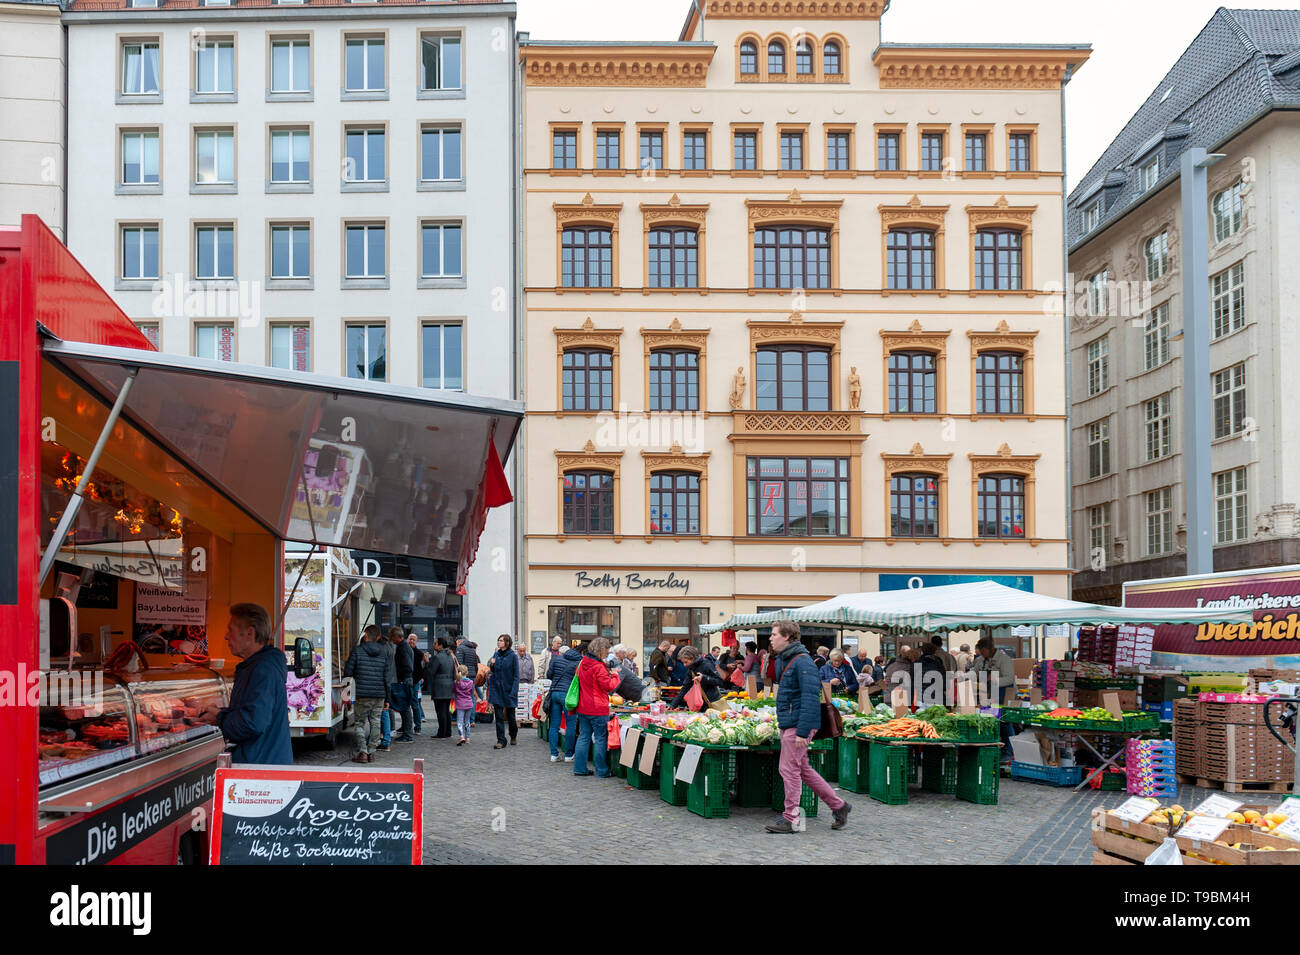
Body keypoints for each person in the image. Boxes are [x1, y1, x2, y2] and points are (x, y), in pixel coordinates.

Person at [766, 620, 850, 834]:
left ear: (786, 636)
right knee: (802, 769)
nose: (770, 638)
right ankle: (839, 806)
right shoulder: (789, 659)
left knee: (788, 769)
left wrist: (803, 731)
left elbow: (811, 697)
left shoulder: (802, 662)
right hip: (792, 721)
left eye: (774, 634)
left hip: (797, 724)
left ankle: (791, 818)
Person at [208, 604, 293, 765]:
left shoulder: (263, 670)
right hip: (262, 762)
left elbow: (253, 722)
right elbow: (252, 711)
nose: (226, 636)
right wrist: (220, 713)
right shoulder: (257, 666)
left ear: (249, 633)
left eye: (230, 630)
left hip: (261, 769)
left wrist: (219, 718)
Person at [343, 624, 395, 763]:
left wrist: (346, 692)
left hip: (362, 693)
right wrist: (387, 698)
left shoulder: (357, 651)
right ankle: (372, 752)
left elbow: (348, 672)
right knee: (376, 722)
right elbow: (387, 677)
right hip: (379, 694)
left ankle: (363, 752)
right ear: (377, 637)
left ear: (366, 636)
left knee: (359, 723)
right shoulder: (384, 652)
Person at [572, 637, 621, 778]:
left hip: (583, 706)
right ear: (601, 650)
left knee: (583, 737)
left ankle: (579, 768)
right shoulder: (598, 666)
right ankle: (601, 770)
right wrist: (615, 676)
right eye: (607, 650)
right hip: (598, 708)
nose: (608, 653)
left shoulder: (582, 663)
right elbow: (609, 686)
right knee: (600, 738)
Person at [972, 637, 1018, 761]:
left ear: (988, 649)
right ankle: (994, 748)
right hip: (987, 695)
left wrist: (994, 680)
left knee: (1004, 722)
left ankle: (1009, 750)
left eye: (982, 651)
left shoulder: (1004, 660)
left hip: (1003, 694)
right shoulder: (981, 660)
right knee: (989, 721)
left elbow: (1010, 678)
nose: (981, 653)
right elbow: (975, 672)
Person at [546, 641, 583, 762]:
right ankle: (568, 755)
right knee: (570, 725)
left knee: (554, 725)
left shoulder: (556, 659)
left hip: (555, 693)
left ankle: (554, 755)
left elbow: (549, 675)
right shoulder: (579, 663)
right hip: (568, 696)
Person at [668, 646, 726, 710]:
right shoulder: (691, 669)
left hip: (713, 703)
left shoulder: (706, 664)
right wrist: (673, 705)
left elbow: (719, 681)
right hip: (700, 705)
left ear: (692, 658)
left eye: (686, 662)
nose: (684, 665)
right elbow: (684, 688)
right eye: (683, 662)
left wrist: (704, 678)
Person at [488, 633, 520, 749]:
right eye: (498, 640)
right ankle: (501, 740)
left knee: (511, 716)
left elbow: (516, 675)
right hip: (497, 689)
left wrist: (514, 690)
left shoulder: (512, 656)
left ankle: (513, 735)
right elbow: (493, 670)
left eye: (501, 640)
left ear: (507, 642)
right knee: (499, 717)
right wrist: (492, 664)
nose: (499, 642)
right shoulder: (496, 654)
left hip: (508, 689)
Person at [389, 627, 416, 742]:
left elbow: (408, 666)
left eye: (392, 636)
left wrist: (400, 677)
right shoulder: (404, 647)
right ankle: (406, 731)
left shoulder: (403, 648)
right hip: (406, 679)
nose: (391, 639)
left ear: (397, 636)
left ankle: (408, 734)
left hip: (404, 680)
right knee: (405, 708)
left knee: (405, 708)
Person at [428, 636, 456, 739]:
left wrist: (427, 662)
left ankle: (441, 733)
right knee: (446, 710)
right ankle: (448, 732)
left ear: (440, 646)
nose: (433, 645)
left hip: (440, 686)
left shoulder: (437, 657)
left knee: (440, 711)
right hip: (449, 685)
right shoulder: (450, 655)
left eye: (435, 643)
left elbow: (431, 671)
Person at [407, 632, 428, 735]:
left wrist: (416, 680)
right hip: (404, 682)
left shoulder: (419, 654)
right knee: (404, 705)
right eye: (410, 639)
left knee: (415, 705)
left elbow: (421, 670)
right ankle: (405, 726)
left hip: (414, 682)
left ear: (416, 642)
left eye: (413, 640)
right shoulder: (403, 651)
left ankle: (418, 726)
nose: (411, 641)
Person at [917, 642, 947, 707]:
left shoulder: (916, 662)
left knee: (922, 715)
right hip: (936, 694)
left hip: (921, 696)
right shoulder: (937, 662)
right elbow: (943, 677)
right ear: (934, 651)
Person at [453, 665, 475, 745]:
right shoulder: (471, 682)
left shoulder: (456, 682)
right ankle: (468, 738)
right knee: (467, 721)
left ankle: (461, 736)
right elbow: (472, 692)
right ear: (467, 672)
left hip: (460, 704)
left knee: (459, 722)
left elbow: (454, 691)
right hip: (469, 703)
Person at [455, 635, 481, 701]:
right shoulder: (472, 649)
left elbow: (459, 663)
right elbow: (476, 664)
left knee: (463, 696)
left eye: (456, 643)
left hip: (464, 675)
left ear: (459, 641)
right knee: (471, 696)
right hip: (472, 675)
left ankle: (464, 711)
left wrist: (458, 675)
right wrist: (474, 673)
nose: (456, 645)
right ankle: (472, 711)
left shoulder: (460, 648)